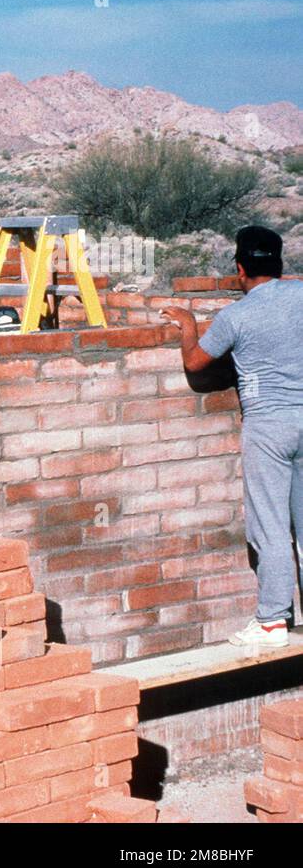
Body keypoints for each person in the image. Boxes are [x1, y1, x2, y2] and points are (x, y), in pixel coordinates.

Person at [162, 225, 303, 648]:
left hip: (269, 426)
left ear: (240, 269)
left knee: (271, 525)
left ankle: (272, 622)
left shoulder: (234, 317)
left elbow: (196, 363)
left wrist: (188, 324)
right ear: (279, 265)